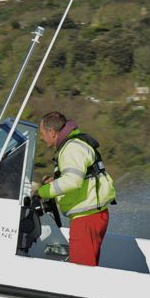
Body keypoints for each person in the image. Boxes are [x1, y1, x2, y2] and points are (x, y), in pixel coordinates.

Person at [35, 111, 116, 267]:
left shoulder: (71, 148)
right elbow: (80, 175)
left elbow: (72, 181)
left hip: (87, 218)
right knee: (85, 267)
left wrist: (41, 192)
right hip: (91, 215)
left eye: (42, 133)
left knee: (81, 272)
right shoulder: (73, 145)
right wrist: (56, 180)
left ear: (52, 132)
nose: (40, 137)